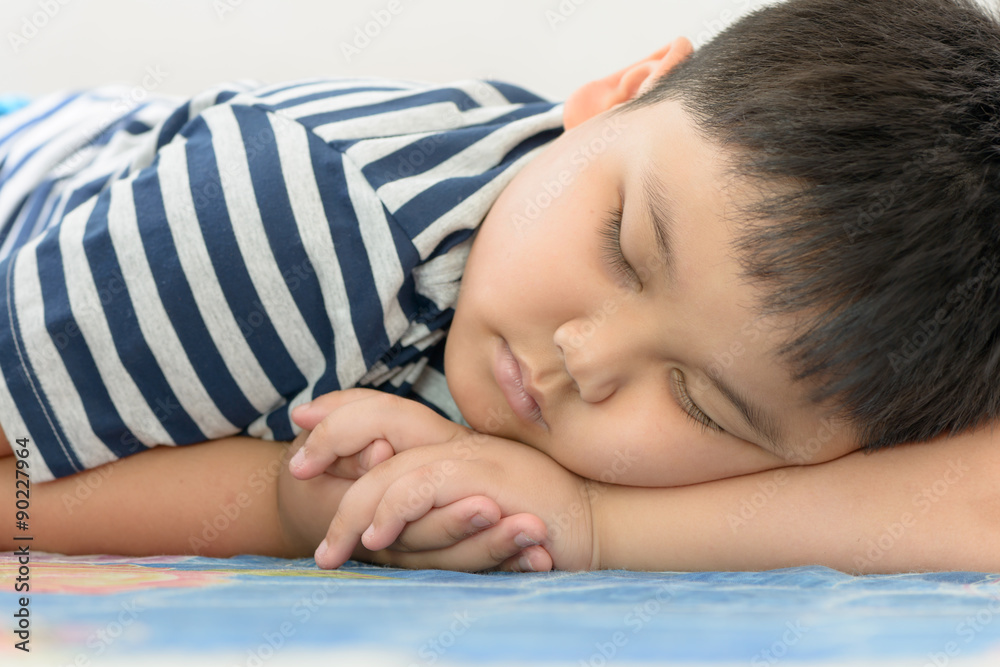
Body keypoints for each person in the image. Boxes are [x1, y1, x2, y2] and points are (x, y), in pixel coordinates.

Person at [2, 0, 999, 573]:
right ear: (618, 91)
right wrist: (284, 498)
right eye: (623, 245)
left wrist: (595, 522)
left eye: (700, 400)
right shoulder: (285, 227)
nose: (586, 356)